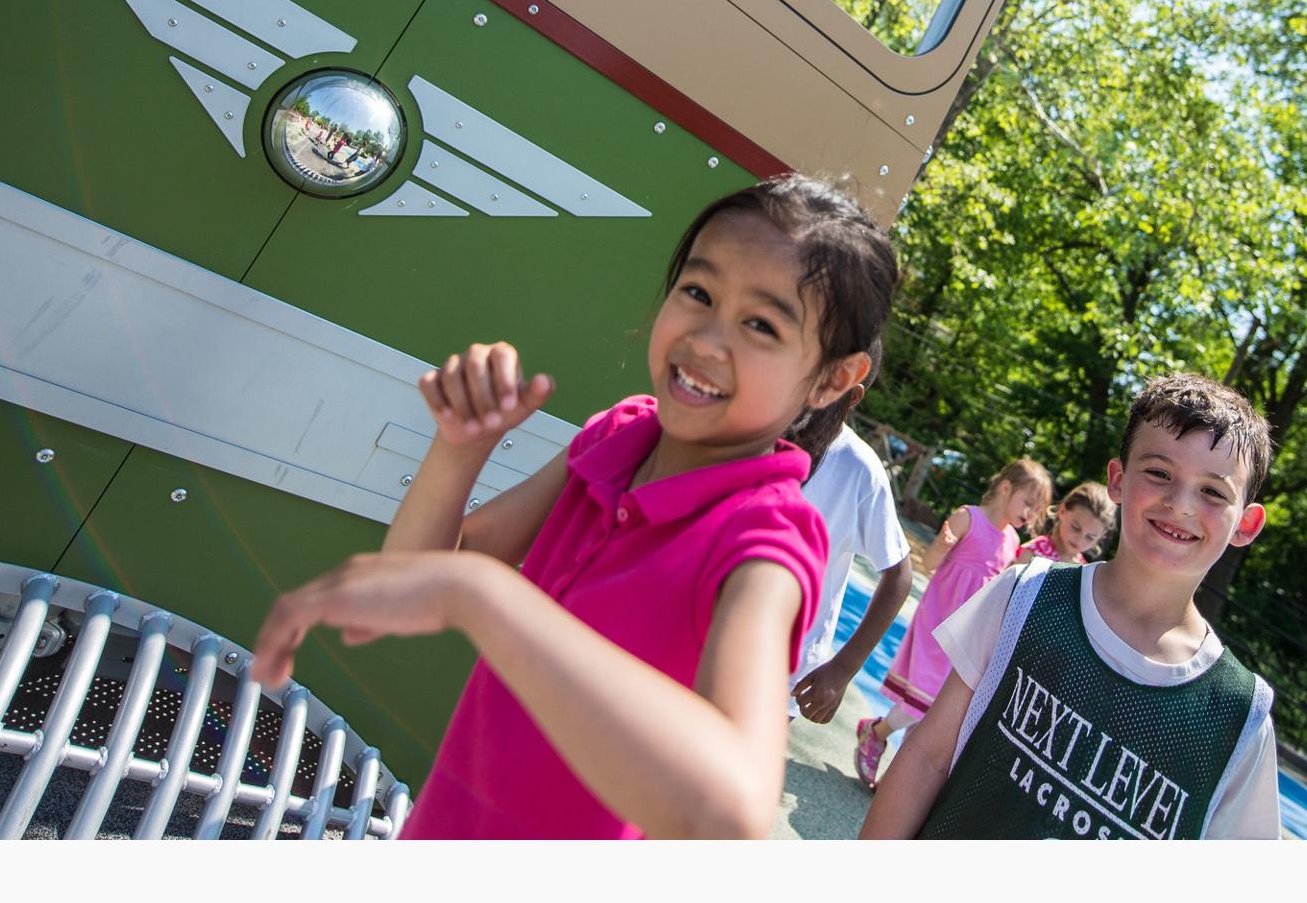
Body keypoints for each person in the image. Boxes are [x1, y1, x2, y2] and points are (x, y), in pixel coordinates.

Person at [250, 175, 898, 838]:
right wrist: (458, 452)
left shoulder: (766, 541)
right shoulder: (616, 436)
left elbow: (731, 814)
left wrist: (486, 599)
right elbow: (413, 580)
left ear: (831, 379)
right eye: (698, 292)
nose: (705, 340)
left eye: (760, 325)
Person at [861, 373, 1281, 839]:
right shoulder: (1024, 595)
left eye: (1213, 492)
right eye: (1160, 473)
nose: (1180, 504)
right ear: (1118, 480)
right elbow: (926, 756)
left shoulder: (1239, 719)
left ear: (1246, 524)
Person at [852, 458, 1052, 787]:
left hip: (968, 633)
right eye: (1028, 502)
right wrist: (943, 545)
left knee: (936, 710)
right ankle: (875, 733)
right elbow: (929, 564)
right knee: (924, 697)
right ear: (1006, 488)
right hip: (938, 622)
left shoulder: (1012, 542)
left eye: (1037, 508)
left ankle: (900, 776)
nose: (1030, 513)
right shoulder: (967, 517)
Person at [789, 340, 915, 726]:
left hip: (783, 671)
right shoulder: (753, 425)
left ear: (852, 393)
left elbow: (899, 575)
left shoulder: (859, 471)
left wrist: (843, 669)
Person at [1014, 481, 1116, 566]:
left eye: (1090, 537)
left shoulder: (1083, 570)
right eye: (1075, 527)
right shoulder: (1033, 554)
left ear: (1101, 536)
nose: (1079, 539)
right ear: (1062, 511)